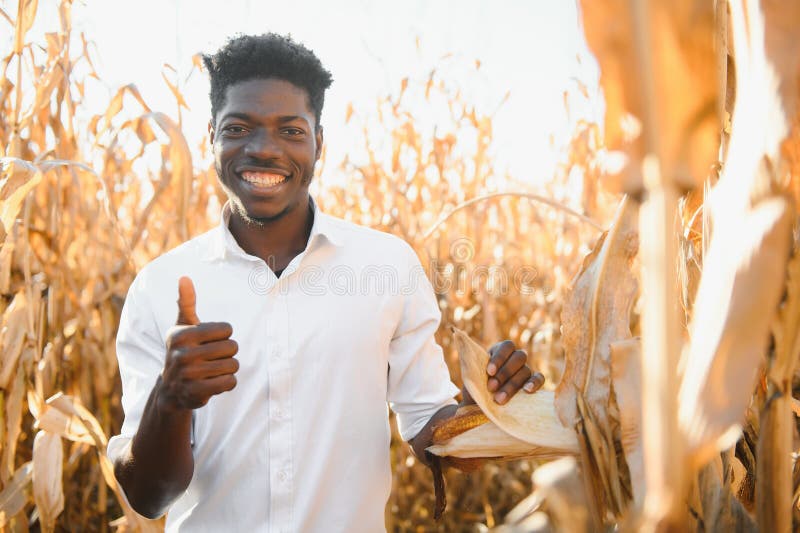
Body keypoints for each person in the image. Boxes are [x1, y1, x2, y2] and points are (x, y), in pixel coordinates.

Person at [108, 33, 544, 532]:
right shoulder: (159, 287)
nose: (264, 149)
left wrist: (488, 408)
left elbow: (432, 432)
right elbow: (149, 497)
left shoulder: (387, 266)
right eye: (239, 127)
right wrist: (171, 399)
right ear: (211, 136)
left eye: (291, 130)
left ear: (320, 141)